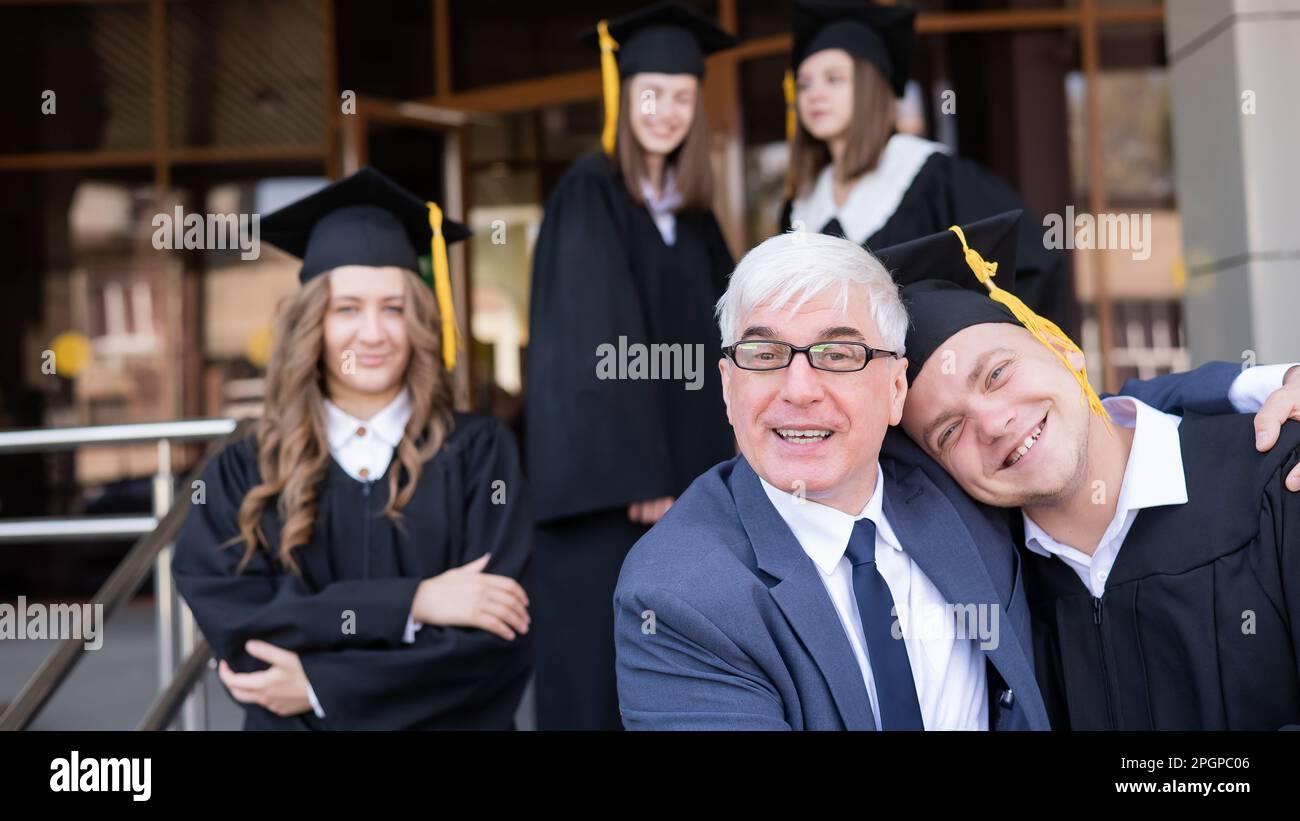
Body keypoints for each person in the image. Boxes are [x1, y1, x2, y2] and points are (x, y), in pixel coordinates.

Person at [613, 216, 1297, 730]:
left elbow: (1089, 420)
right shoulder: (682, 597)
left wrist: (1262, 384)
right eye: (765, 354)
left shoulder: (1274, 487)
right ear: (727, 383)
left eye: (839, 353)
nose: (994, 423)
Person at [888, 212, 1300, 729]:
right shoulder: (1000, 595)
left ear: (1063, 348)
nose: (993, 424)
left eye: (997, 373)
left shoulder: (1278, 481)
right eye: (948, 431)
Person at [173, 167, 533, 730]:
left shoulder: (479, 455)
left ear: (418, 321)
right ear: (310, 324)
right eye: (347, 309)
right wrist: (415, 603)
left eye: (393, 307)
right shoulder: (246, 471)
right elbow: (245, 632)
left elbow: (496, 646)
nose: (372, 333)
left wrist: (319, 684)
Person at [526, 1, 739, 730]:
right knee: (597, 677)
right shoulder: (591, 194)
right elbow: (594, 335)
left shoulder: (697, 215)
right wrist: (643, 470)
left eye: (683, 97)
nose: (666, 111)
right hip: (614, 499)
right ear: (623, 96)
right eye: (652, 93)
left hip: (687, 488)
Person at [778, 0, 1075, 331]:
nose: (814, 94)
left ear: (871, 87)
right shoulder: (802, 204)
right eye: (804, 84)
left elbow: (1032, 265)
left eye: (833, 79)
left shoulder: (934, 178)